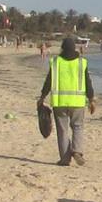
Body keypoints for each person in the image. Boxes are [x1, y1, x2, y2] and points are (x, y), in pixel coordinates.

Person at [38, 35, 96, 165]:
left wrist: (42, 96)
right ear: (74, 48)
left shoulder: (56, 62)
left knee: (62, 130)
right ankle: (77, 151)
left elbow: (48, 81)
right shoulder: (81, 62)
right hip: (78, 103)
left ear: (62, 48)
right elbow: (88, 82)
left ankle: (64, 159)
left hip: (60, 102)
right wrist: (91, 99)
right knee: (78, 127)